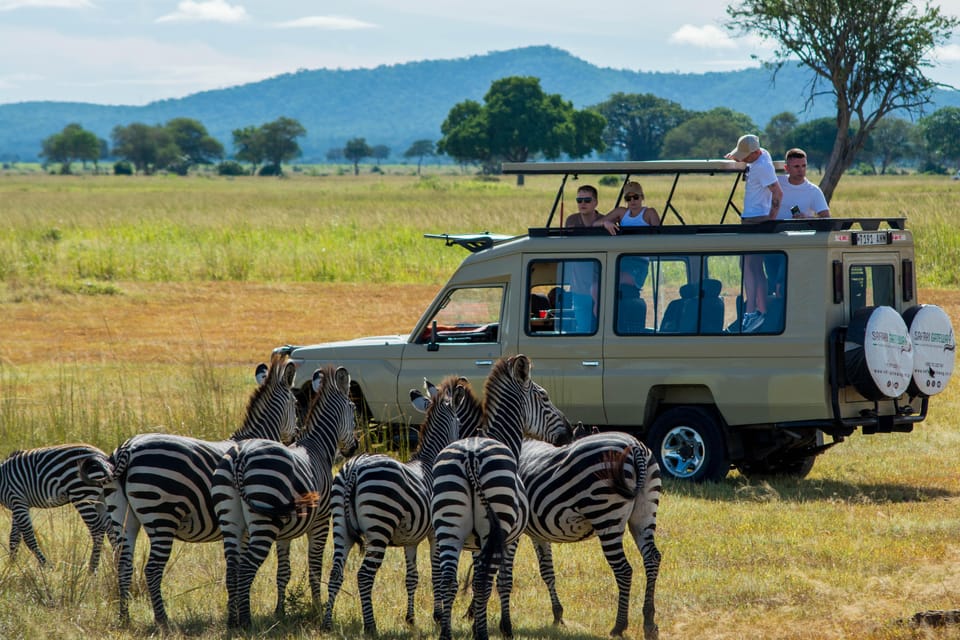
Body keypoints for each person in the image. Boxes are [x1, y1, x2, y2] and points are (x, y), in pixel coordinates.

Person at [726, 134, 783, 333]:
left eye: (745, 156)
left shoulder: (762, 167)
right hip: (755, 218)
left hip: (755, 220)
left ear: (755, 153)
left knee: (748, 266)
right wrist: (737, 157)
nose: (743, 159)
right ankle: (760, 310)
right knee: (756, 267)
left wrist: (771, 219)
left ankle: (751, 312)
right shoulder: (763, 155)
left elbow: (778, 192)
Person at [777, 148, 830, 219]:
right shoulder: (776, 183)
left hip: (801, 229)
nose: (801, 170)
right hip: (773, 229)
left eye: (804, 166)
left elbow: (827, 218)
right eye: (796, 166)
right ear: (786, 168)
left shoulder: (814, 191)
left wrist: (807, 218)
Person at [594, 181, 660, 234]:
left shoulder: (650, 213)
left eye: (635, 197)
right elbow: (595, 224)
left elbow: (659, 234)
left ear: (642, 197)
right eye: (628, 198)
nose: (632, 201)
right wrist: (605, 223)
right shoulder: (620, 212)